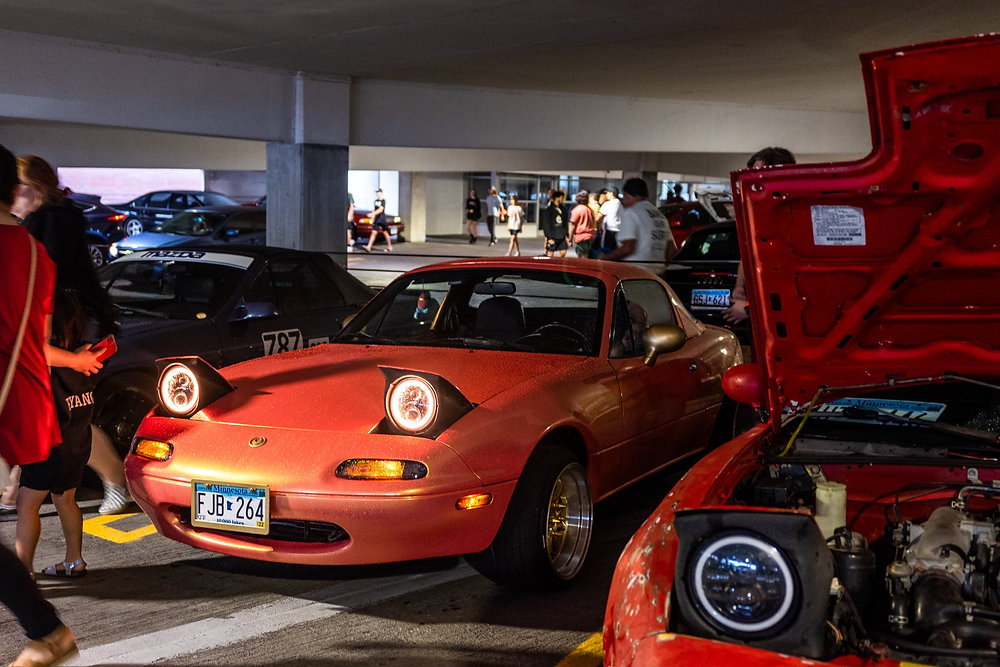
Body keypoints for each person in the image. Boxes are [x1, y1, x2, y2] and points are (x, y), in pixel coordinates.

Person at [13, 154, 133, 517]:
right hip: (63, 324)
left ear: (31, 188)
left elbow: (52, 281)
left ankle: (114, 478)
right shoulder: (48, 219)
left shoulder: (49, 222)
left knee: (66, 416)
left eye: (16, 188)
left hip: (64, 327)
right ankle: (15, 488)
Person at [0, 143, 79, 667]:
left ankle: (48, 631)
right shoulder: (34, 253)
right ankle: (47, 631)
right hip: (19, 398)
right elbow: (28, 336)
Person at [16, 289, 100, 579]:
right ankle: (75, 560)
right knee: (66, 499)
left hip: (48, 445)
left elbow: (34, 350)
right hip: (78, 442)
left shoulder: (49, 364)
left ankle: (23, 572)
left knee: (26, 504)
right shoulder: (90, 358)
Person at [721, 147, 797, 325]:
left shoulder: (792, 216)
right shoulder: (758, 213)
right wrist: (739, 289)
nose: (754, 185)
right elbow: (748, 251)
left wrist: (749, 308)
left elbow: (784, 278)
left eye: (759, 176)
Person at [601, 178, 677, 272]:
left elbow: (627, 248)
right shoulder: (660, 215)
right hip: (658, 275)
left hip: (635, 273)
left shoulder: (631, 213)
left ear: (626, 194)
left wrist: (607, 258)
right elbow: (672, 251)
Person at [540, 189, 569, 257]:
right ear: (557, 198)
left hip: (561, 235)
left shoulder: (564, 209)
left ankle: (558, 264)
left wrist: (567, 235)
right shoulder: (549, 210)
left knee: (563, 252)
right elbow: (546, 225)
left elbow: (565, 223)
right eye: (561, 198)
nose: (563, 199)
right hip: (552, 235)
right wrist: (549, 237)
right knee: (550, 254)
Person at [363, 188, 393, 252]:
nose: (377, 193)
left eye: (378, 192)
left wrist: (373, 213)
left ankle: (390, 246)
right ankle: (369, 246)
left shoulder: (383, 201)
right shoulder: (376, 201)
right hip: (377, 219)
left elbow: (381, 209)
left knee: (385, 232)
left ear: (381, 193)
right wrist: (372, 217)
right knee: (373, 232)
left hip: (382, 219)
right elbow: (375, 209)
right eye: (377, 192)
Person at [569, 190, 596, 258]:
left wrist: (570, 239)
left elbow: (573, 226)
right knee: (587, 256)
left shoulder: (576, 210)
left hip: (581, 237)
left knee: (581, 257)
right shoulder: (590, 210)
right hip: (590, 237)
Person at [597, 187, 623, 252]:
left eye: (607, 193)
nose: (606, 195)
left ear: (611, 193)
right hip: (619, 231)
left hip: (609, 231)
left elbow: (598, 217)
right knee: (615, 251)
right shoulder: (620, 204)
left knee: (606, 251)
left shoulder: (608, 204)